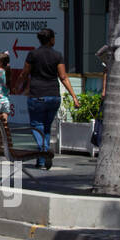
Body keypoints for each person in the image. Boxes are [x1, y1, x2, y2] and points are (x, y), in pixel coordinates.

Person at [21, 27, 79, 169]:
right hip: (53, 96)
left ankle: (44, 150)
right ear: (52, 39)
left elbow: (24, 73)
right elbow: (63, 77)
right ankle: (41, 160)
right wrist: (74, 96)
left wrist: (17, 86)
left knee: (36, 125)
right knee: (46, 128)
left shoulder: (32, 55)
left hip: (37, 95)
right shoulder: (57, 55)